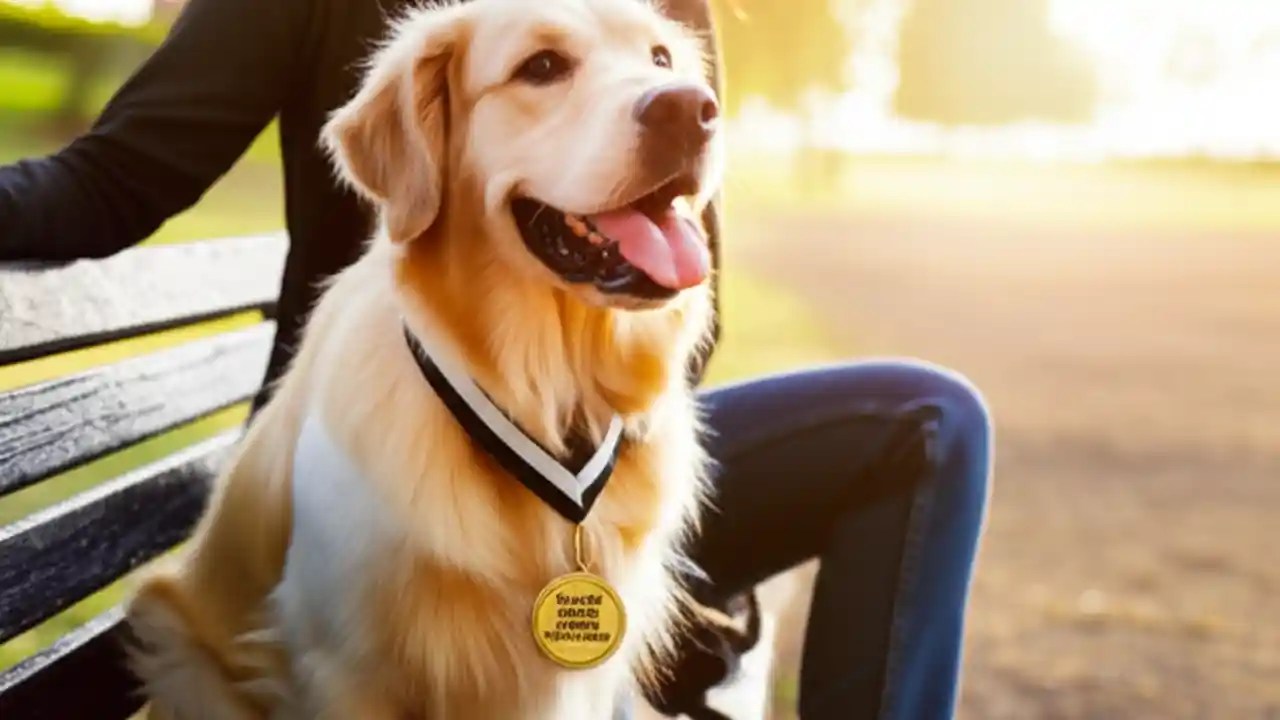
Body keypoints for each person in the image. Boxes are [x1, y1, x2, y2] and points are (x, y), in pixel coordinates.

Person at [0, 0, 993, 717]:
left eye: (661, 60)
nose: (670, 88)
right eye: (545, 70)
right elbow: (112, 181)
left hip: (598, 463)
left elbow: (689, 294)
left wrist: (624, 543)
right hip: (376, 466)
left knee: (926, 422)